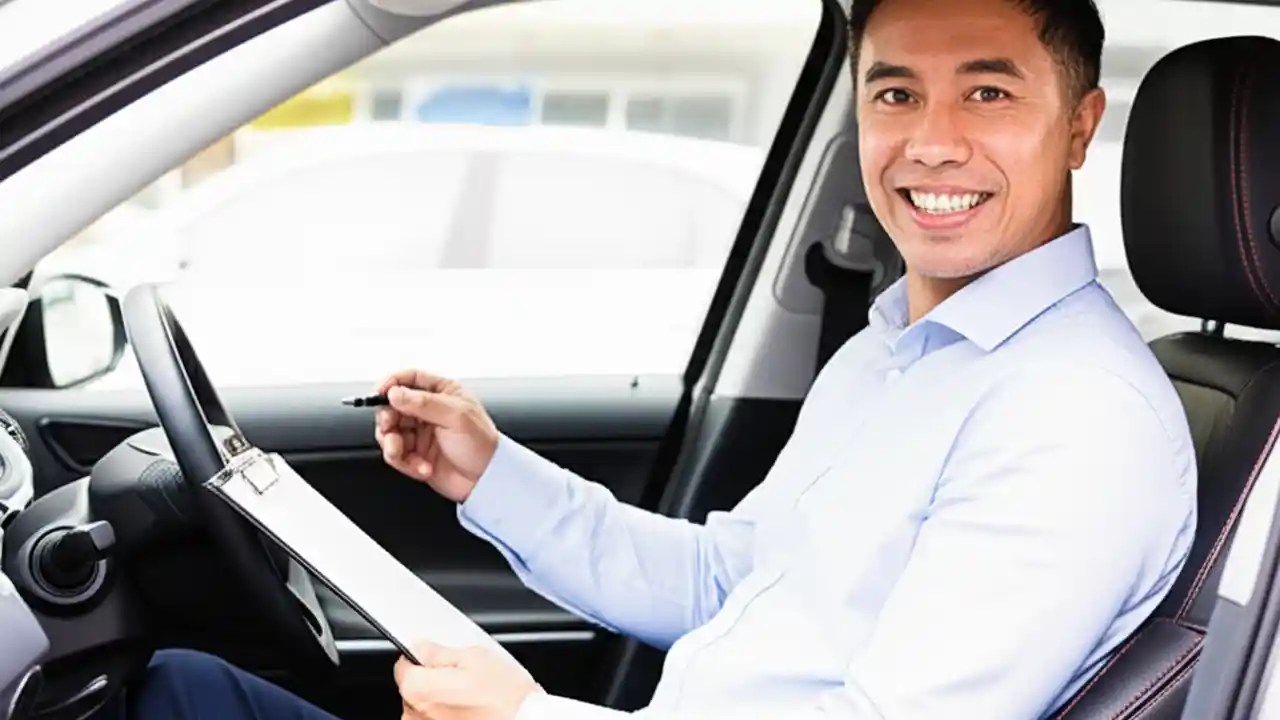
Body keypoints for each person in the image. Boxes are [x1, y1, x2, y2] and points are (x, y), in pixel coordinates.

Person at [92, 0, 1198, 718]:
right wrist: (488, 473)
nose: (931, 140)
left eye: (988, 92)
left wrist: (527, 718)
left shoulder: (1074, 419)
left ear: (1077, 125)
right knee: (179, 691)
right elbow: (726, 584)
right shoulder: (902, 353)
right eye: (895, 92)